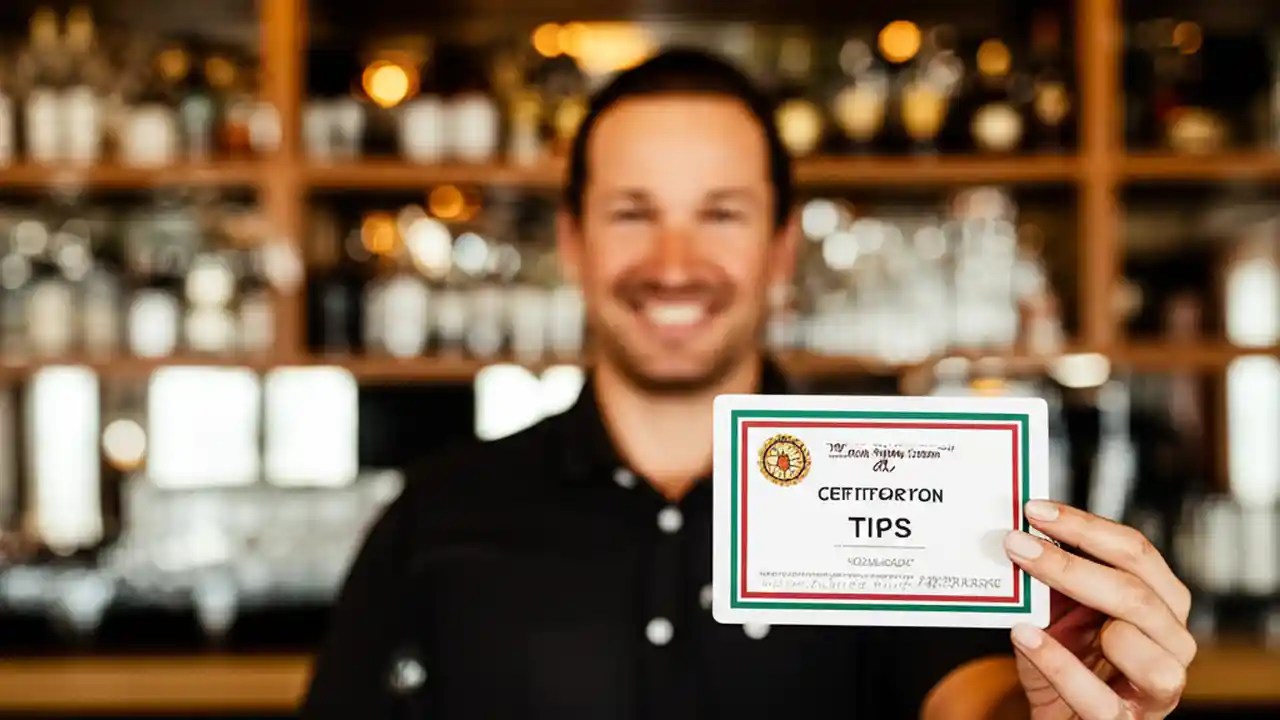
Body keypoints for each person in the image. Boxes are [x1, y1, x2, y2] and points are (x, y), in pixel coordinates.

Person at [303, 49, 1196, 720]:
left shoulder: (910, 491)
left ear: (777, 252)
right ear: (573, 243)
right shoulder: (435, 517)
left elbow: (974, 699)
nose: (675, 263)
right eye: (632, 213)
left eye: (720, 213)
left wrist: (1064, 700)